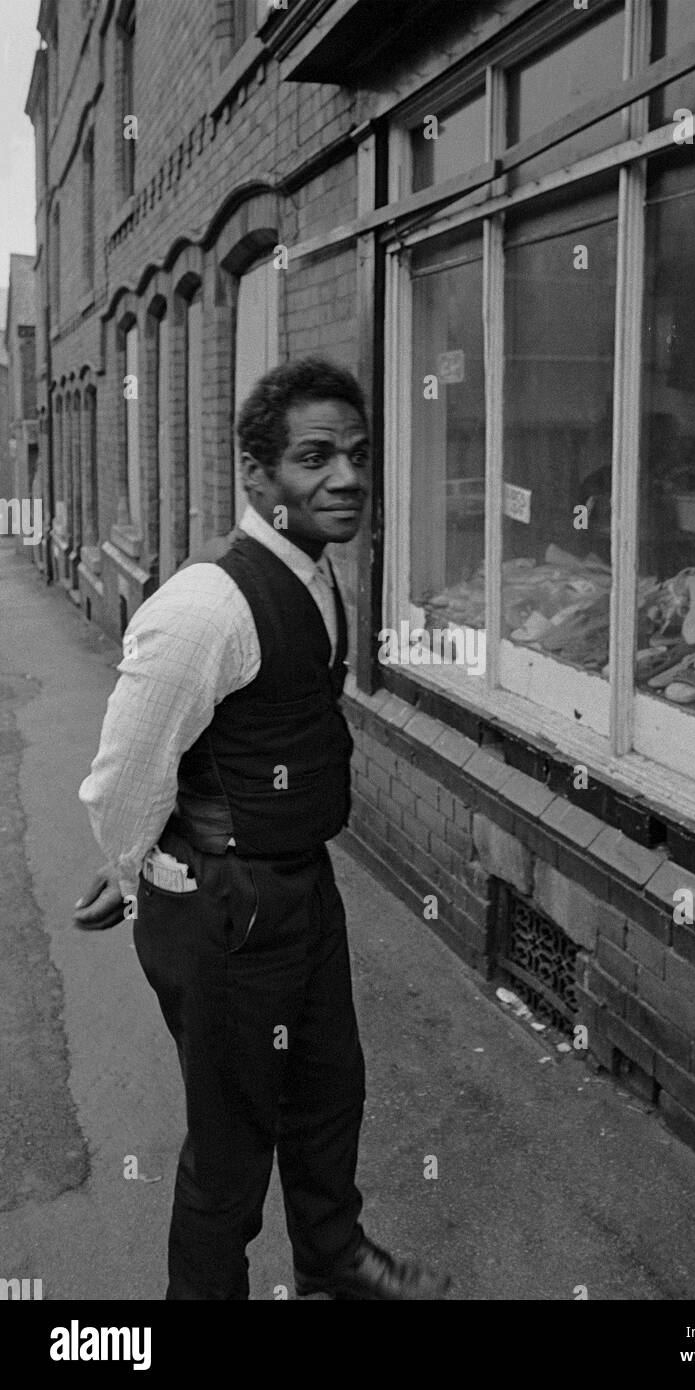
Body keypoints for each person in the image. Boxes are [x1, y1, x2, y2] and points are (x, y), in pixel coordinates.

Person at [74, 357, 451, 1302]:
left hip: (300, 888)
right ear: (256, 473)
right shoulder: (206, 606)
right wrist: (131, 869)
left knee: (328, 1089)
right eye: (315, 457)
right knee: (232, 1141)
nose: (346, 477)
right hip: (223, 907)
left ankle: (333, 1258)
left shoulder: (315, 576)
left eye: (357, 455)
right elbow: (124, 775)